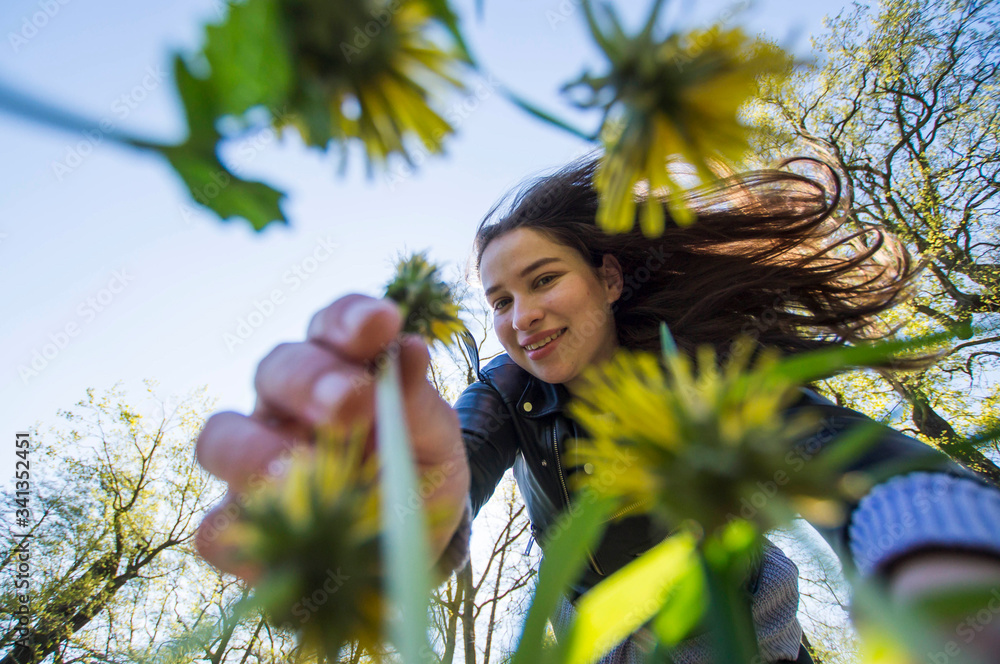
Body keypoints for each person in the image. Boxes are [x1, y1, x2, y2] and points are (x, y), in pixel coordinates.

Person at [195, 156, 1000, 663]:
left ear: (610, 280)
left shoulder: (707, 376)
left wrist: (940, 561)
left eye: (544, 280)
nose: (521, 317)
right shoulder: (506, 393)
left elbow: (839, 455)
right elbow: (455, 466)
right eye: (500, 299)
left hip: (741, 629)